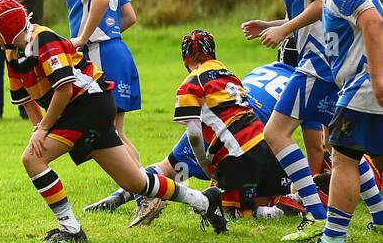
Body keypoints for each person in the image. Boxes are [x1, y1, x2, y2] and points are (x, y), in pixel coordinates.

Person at [0, 0, 224, 243]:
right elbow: (25, 98)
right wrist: (39, 127)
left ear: (8, 29)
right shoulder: (11, 53)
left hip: (89, 105)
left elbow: (64, 89)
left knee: (32, 159)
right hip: (81, 109)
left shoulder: (43, 38)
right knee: (134, 181)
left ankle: (72, 230)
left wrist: (44, 129)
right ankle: (205, 201)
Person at [85, 58, 305, 223]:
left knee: (169, 167)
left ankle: (117, 197)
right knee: (246, 207)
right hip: (250, 136)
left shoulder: (263, 68)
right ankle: (286, 206)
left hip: (214, 122)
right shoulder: (305, 81)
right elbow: (316, 148)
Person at [240, 0, 337, 242]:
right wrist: (273, 24)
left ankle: (314, 214)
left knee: (276, 134)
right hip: (337, 59)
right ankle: (378, 214)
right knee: (343, 144)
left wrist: (283, 31)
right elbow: (313, 12)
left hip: (317, 62)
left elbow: (321, 3)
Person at [291, 0, 383, 243]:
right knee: (369, 156)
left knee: (343, 158)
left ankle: (333, 239)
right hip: (359, 86)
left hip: (363, 86)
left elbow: (373, 22)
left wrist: (377, 77)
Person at [54, 0, 142, 165]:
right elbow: (130, 16)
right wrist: (107, 32)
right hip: (119, 50)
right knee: (115, 133)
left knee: (109, 135)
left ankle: (147, 192)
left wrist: (82, 38)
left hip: (100, 53)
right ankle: (147, 190)